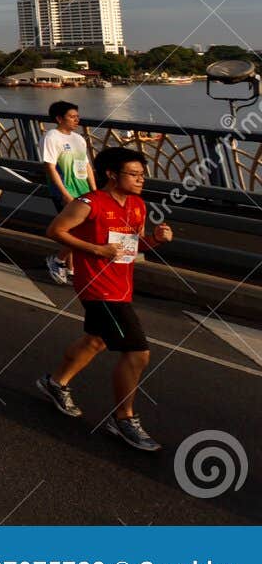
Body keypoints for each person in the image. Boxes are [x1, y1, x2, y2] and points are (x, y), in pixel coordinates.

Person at [35, 147, 174, 451]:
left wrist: (154, 240)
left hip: (121, 286)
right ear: (112, 174)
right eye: (134, 174)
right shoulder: (90, 203)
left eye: (142, 174)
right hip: (98, 289)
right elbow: (55, 230)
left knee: (95, 341)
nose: (141, 180)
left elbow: (132, 248)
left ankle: (55, 382)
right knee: (138, 353)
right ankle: (124, 419)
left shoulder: (137, 205)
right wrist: (95, 250)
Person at [41, 100, 95, 286]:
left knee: (77, 231)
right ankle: (57, 260)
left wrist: (94, 190)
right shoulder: (51, 137)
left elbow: (86, 165)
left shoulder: (79, 139)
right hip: (65, 191)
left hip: (84, 191)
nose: (76, 120)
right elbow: (49, 167)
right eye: (71, 117)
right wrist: (64, 193)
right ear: (59, 118)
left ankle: (71, 269)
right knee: (75, 231)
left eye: (77, 116)